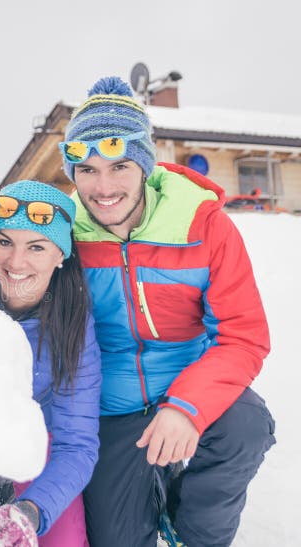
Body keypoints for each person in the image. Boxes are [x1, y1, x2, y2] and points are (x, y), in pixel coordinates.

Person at [60, 76, 276, 546]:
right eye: (87, 170)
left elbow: (242, 336)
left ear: (144, 164)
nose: (104, 187)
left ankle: (189, 529)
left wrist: (187, 407)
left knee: (245, 425)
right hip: (109, 408)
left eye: (119, 166)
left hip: (184, 385)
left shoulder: (202, 224)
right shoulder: (64, 234)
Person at [0, 180, 102, 547]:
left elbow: (77, 443)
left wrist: (32, 509)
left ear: (60, 254)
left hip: (37, 447)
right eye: (5, 242)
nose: (15, 263)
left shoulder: (74, 322)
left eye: (36, 246)